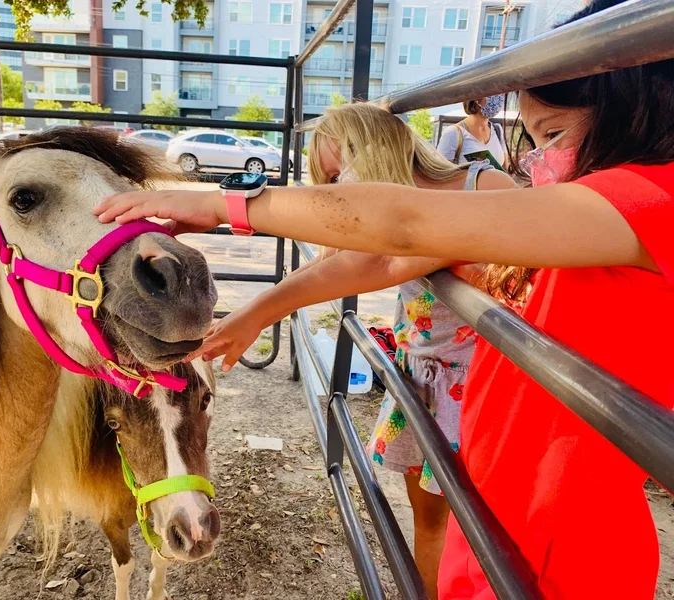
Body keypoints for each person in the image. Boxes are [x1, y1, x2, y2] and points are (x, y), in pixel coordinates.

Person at [94, 0, 673, 593]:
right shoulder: (604, 218)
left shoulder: (648, 201)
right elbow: (388, 256)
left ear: (635, 105)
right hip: (509, 505)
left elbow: (402, 224)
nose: (536, 161)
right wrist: (262, 308)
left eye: (551, 134)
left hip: (562, 533)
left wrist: (227, 205)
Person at [165, 102, 516, 598]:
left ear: (373, 151)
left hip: (486, 385)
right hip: (427, 379)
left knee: (489, 531)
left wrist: (260, 308)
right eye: (331, 182)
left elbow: (377, 260)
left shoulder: (484, 190)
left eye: (340, 171)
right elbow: (349, 262)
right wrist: (257, 310)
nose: (340, 192)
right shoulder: (398, 226)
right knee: (432, 519)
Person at [436, 96, 507, 169]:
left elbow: (505, 169)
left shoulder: (498, 130)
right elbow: (442, 174)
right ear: (476, 98)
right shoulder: (452, 133)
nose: (499, 98)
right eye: (492, 94)